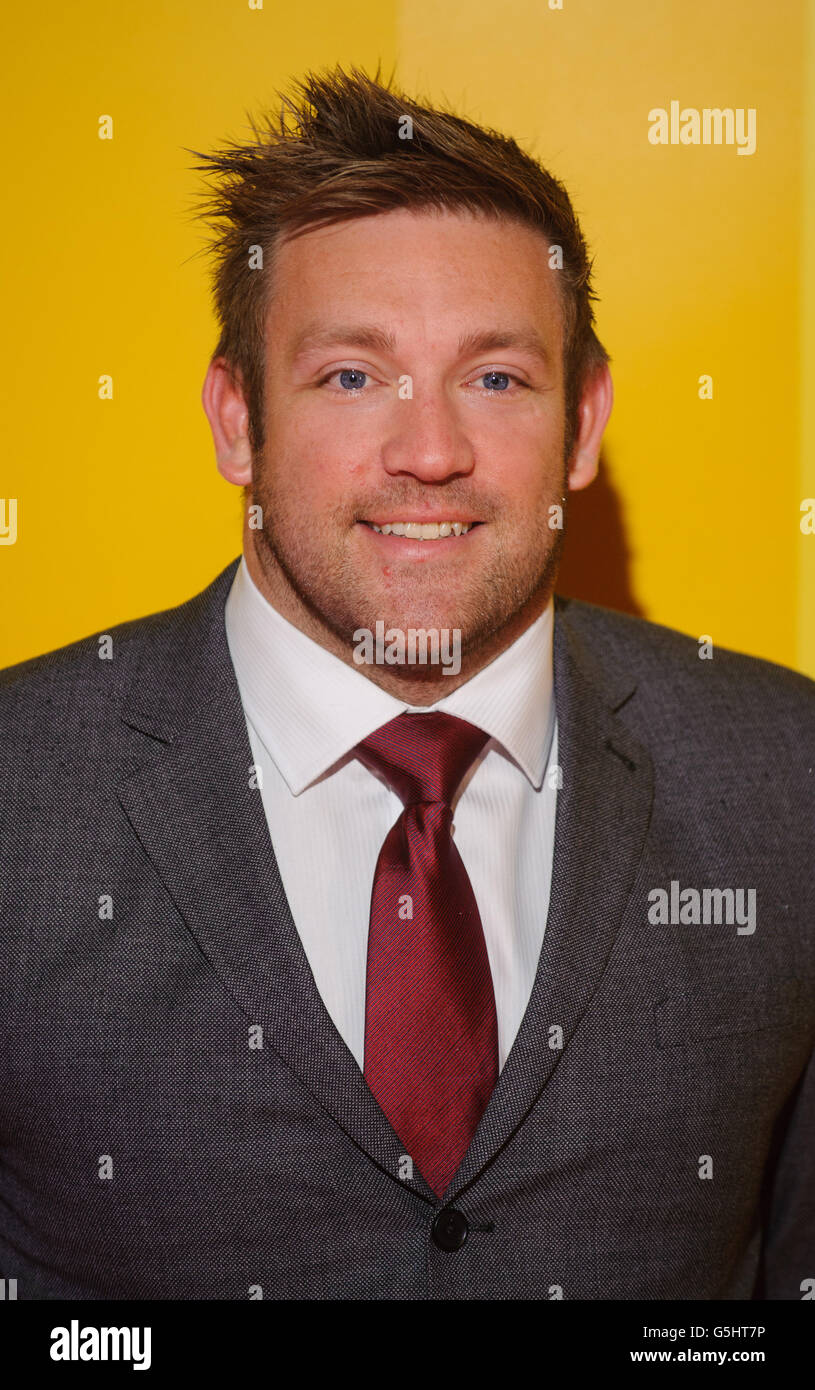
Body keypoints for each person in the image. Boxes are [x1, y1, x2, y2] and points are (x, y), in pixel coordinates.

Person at [1, 64, 812, 1301]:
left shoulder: (785, 775)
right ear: (235, 418)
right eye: (348, 375)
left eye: (494, 377)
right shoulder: (19, 787)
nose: (428, 451)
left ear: (582, 422)